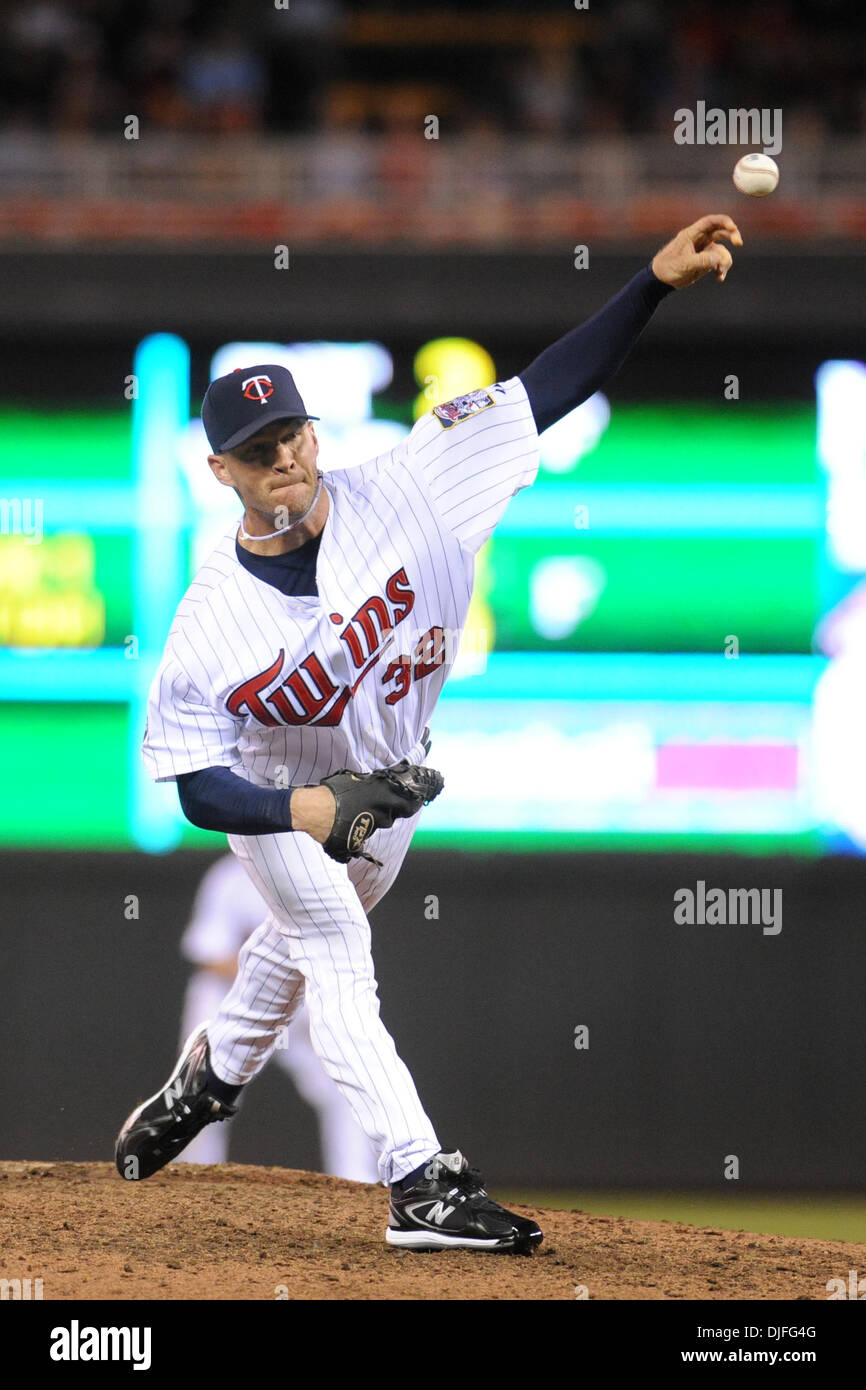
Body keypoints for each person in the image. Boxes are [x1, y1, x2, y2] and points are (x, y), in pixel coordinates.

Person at [115, 215, 742, 1254]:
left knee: (310, 937)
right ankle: (420, 1181)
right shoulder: (206, 625)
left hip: (388, 792)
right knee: (332, 943)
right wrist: (299, 810)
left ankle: (213, 1070)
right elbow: (191, 784)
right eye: (256, 450)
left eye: (293, 434)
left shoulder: (413, 485)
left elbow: (545, 390)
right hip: (285, 802)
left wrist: (649, 285)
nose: (284, 458)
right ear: (220, 470)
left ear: (314, 430)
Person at [177, 852, 379, 1181]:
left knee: (346, 1081)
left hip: (300, 1000)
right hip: (232, 999)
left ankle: (357, 1183)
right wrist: (273, 976)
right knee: (202, 1090)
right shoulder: (230, 877)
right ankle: (194, 1178)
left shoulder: (316, 873)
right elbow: (208, 954)